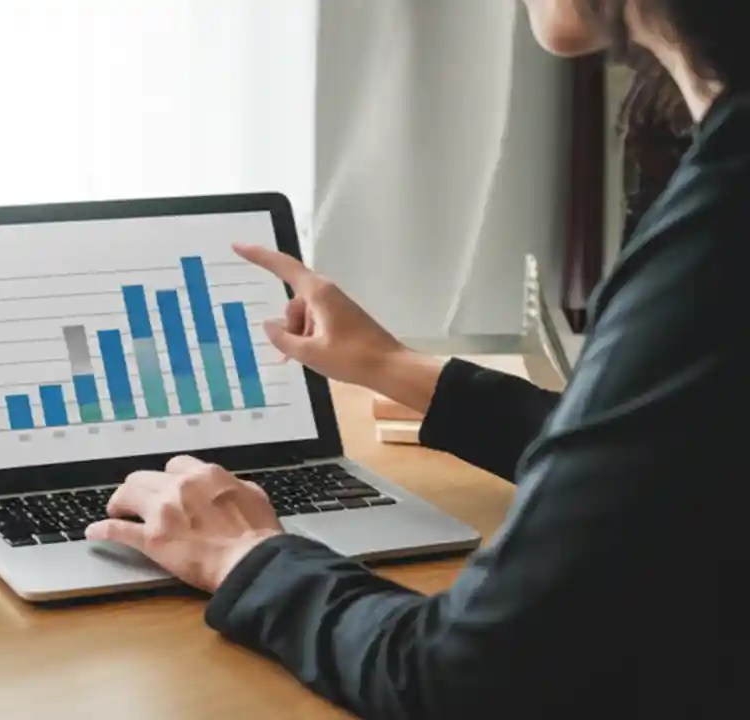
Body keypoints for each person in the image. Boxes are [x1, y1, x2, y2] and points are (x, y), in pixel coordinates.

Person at [86, 1, 746, 717]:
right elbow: (678, 457)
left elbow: (469, 677)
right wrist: (393, 366)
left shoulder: (721, 225)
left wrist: (246, 558)